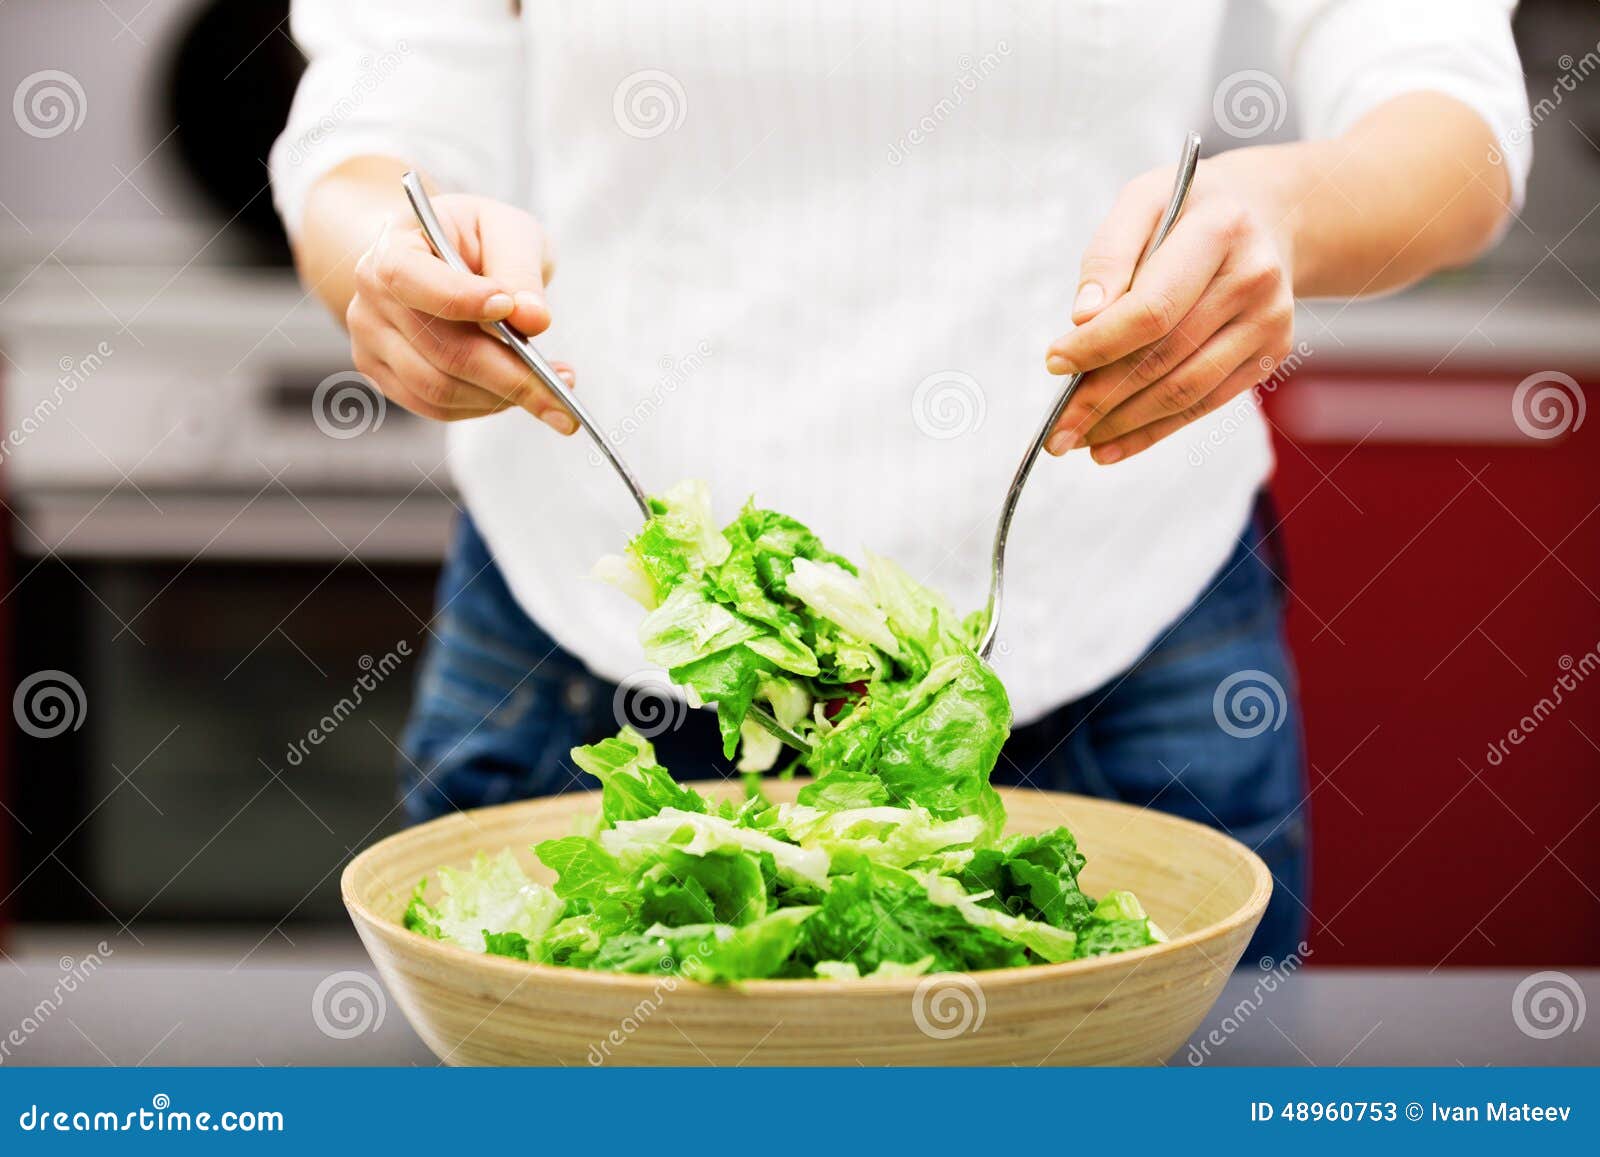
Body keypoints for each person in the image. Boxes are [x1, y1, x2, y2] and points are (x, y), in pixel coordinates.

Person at [271, 0, 1531, 961]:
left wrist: (1283, 209)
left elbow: (1447, 109)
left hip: (1122, 631)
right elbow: (374, 126)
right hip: (578, 641)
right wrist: (390, 253)